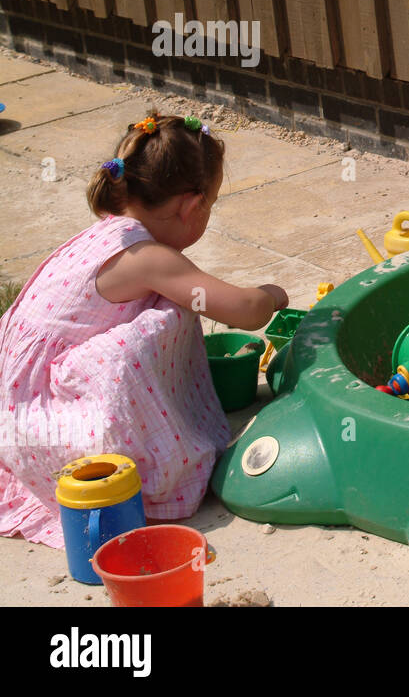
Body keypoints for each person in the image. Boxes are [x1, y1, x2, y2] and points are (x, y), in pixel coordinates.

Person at [0, 111, 288, 547]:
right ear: (192, 206)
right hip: (46, 430)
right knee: (171, 313)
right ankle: (156, 466)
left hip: (16, 407)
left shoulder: (105, 235)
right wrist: (272, 294)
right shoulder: (147, 258)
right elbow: (243, 311)